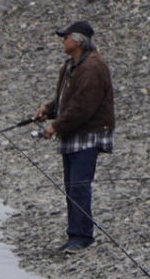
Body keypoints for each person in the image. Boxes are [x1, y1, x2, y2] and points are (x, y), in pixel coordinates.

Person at [35, 20, 115, 254]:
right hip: (73, 134)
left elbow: (82, 108)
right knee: (71, 186)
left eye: (66, 37)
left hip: (88, 135)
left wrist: (55, 126)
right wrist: (48, 109)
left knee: (79, 186)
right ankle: (75, 234)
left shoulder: (93, 67)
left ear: (78, 40)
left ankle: (82, 237)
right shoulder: (71, 65)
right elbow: (66, 100)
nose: (63, 40)